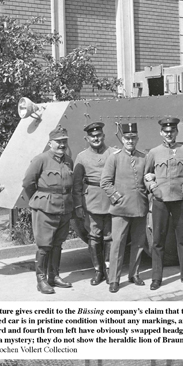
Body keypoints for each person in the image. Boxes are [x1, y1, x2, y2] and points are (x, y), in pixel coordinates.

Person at [144, 117, 183, 291]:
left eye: (172, 131)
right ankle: (156, 277)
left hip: (182, 199)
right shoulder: (154, 152)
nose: (169, 134)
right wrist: (153, 187)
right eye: (166, 131)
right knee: (157, 241)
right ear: (161, 132)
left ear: (177, 132)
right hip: (161, 200)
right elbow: (146, 174)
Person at [22, 127, 76, 294]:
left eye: (64, 141)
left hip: (64, 208)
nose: (61, 144)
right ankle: (41, 280)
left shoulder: (68, 160)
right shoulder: (41, 160)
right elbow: (28, 183)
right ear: (50, 142)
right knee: (44, 245)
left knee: (58, 244)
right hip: (45, 209)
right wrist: (40, 200)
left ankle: (54, 276)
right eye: (58, 141)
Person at [100, 122, 148, 292]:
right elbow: (105, 182)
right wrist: (117, 197)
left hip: (140, 207)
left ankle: (134, 274)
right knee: (117, 244)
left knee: (139, 243)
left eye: (133, 138)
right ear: (122, 139)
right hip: (120, 209)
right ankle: (114, 279)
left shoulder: (144, 157)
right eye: (127, 138)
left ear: (137, 138)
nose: (130, 141)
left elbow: (147, 180)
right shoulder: (114, 157)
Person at [72, 122, 115, 286]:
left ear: (103, 136)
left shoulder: (113, 153)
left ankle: (110, 271)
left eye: (99, 135)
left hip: (110, 200)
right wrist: (78, 206)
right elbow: (76, 185)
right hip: (92, 202)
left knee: (110, 237)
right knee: (94, 237)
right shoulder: (81, 157)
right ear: (87, 138)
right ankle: (98, 271)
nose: (96, 138)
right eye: (92, 136)